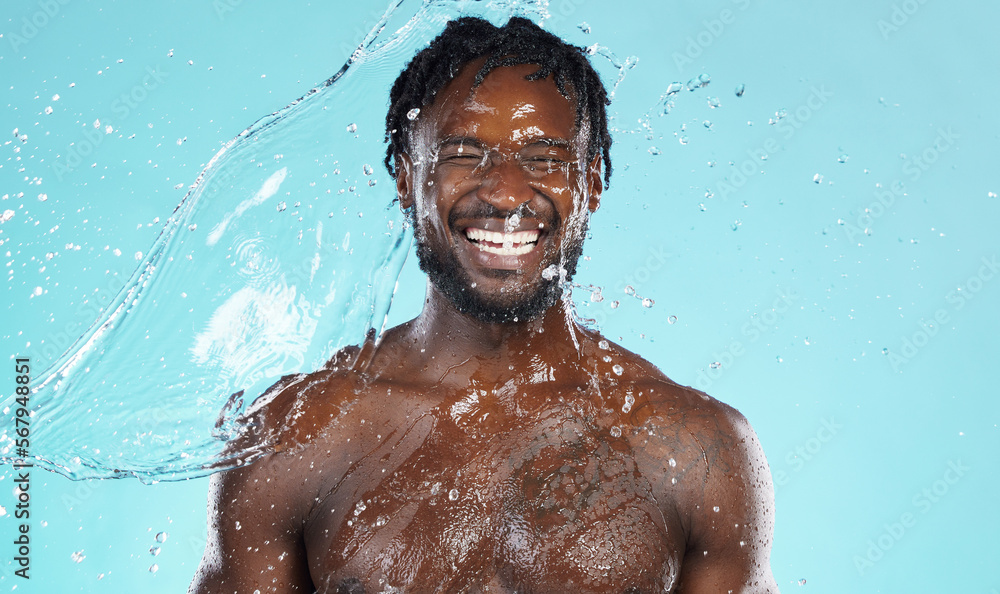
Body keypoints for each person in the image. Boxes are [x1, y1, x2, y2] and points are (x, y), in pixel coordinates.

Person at [190, 16, 779, 593]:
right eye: (463, 154)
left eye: (545, 159)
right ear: (405, 177)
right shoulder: (297, 435)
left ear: (592, 181)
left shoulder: (696, 451)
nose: (504, 193)